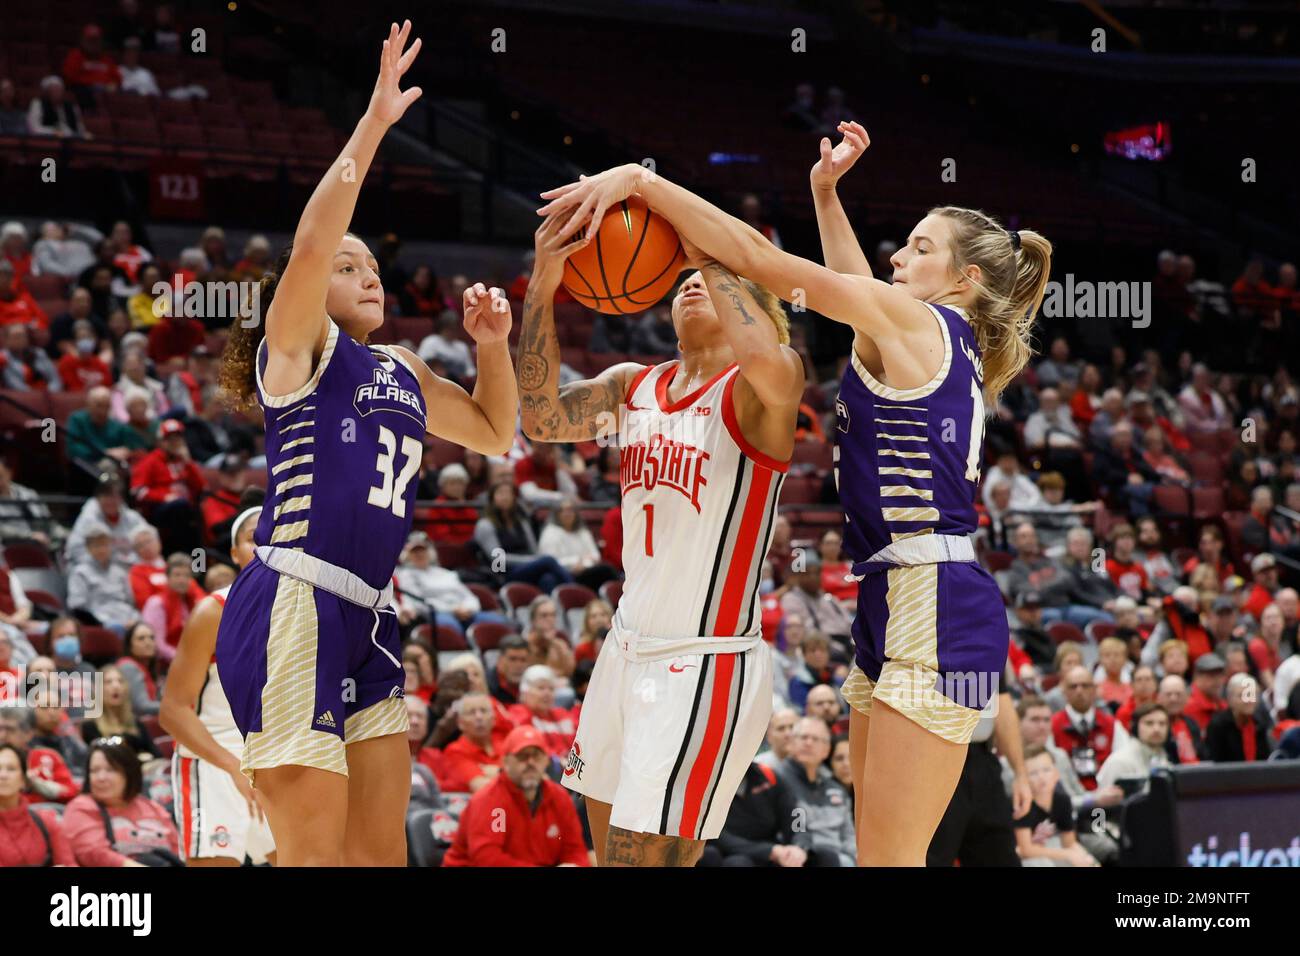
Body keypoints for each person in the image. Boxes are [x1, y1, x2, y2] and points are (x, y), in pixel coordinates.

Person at [211, 21, 517, 869]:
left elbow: (495, 432)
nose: (366, 272)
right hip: (294, 602)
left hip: (370, 614)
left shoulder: (405, 370)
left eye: (370, 265)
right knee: (310, 857)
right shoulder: (299, 350)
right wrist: (374, 125)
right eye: (349, 267)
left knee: (378, 858)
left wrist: (493, 347)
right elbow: (310, 242)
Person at [523, 198, 802, 868]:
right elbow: (540, 418)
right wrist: (543, 282)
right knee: (612, 857)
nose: (693, 281)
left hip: (703, 655)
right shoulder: (633, 386)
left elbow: (766, 352)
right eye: (684, 278)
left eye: (712, 279)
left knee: (642, 860)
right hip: (624, 647)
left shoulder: (765, 385)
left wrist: (711, 252)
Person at [158, 502, 275, 866]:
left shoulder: (305, 611)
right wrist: (232, 766)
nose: (262, 543)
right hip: (213, 759)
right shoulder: (214, 611)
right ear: (234, 553)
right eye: (250, 538)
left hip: (274, 758)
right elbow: (173, 712)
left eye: (271, 535)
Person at [441, 725, 588, 867]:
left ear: (546, 761)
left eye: (536, 755)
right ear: (505, 762)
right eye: (522, 756)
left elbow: (575, 850)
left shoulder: (559, 797)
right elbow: (487, 858)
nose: (530, 762)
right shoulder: (489, 799)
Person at [62, 738, 181, 867]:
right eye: (94, 771)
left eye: (111, 770)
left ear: (129, 773)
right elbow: (93, 854)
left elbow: (177, 851)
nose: (101, 778)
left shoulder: (151, 806)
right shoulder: (82, 807)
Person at [774, 717, 855, 866]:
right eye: (803, 737)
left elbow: (848, 836)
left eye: (816, 739)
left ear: (826, 751)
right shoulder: (775, 780)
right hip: (802, 857)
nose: (808, 742)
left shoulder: (835, 789)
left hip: (841, 859)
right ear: (791, 743)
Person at [1012, 745, 1099, 867]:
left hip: (1047, 848)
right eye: (1033, 773)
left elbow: (1069, 843)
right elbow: (1025, 849)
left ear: (1056, 774)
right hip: (1019, 854)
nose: (1041, 777)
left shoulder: (1062, 800)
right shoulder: (1022, 804)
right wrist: (1067, 854)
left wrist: (1086, 859)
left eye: (1046, 770)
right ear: (1024, 779)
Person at [0, 743, 77, 867]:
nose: (3, 775)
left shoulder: (46, 821)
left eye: (11, 769)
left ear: (24, 780)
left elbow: (68, 864)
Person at [1049, 666, 1117, 791]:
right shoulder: (1052, 725)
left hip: (1107, 793)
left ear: (1095, 689)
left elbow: (1121, 761)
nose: (1079, 691)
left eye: (1085, 686)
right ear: (1064, 691)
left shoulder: (1111, 724)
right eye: (1073, 686)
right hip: (1068, 794)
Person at [79, 665, 161, 762]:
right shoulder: (90, 726)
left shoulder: (137, 724)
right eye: (108, 682)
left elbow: (158, 757)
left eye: (120, 681)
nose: (116, 686)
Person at [66, 525, 137, 630]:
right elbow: (77, 605)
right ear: (88, 548)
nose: (102, 549)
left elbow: (130, 601)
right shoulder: (80, 573)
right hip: (99, 621)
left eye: (105, 545)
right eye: (97, 545)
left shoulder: (119, 571)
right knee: (116, 628)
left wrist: (133, 620)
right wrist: (106, 622)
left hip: (126, 617)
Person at [1096, 702, 1171, 790]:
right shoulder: (1120, 761)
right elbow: (1106, 801)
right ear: (1135, 727)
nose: (1157, 729)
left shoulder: (1162, 757)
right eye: (1149, 723)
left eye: (1162, 724)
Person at [439, 692, 504, 793]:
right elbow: (481, 788)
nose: (479, 717)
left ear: (493, 719)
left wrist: (499, 773)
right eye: (471, 712)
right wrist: (505, 773)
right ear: (460, 723)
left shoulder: (504, 744)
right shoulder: (455, 751)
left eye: (483, 711)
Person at [1205, 674, 1272, 762]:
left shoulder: (1260, 724)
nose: (1248, 700)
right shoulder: (1218, 726)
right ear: (1230, 699)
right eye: (1242, 696)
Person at [116, 621, 163, 718]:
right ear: (130, 646)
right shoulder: (128, 666)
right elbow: (141, 706)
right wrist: (173, 708)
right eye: (141, 638)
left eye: (152, 638)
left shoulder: (147, 667)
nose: (148, 642)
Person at [1183, 652, 1228, 732]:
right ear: (1196, 677)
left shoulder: (1223, 705)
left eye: (1220, 675)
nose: (1217, 681)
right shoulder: (1188, 706)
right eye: (1211, 676)